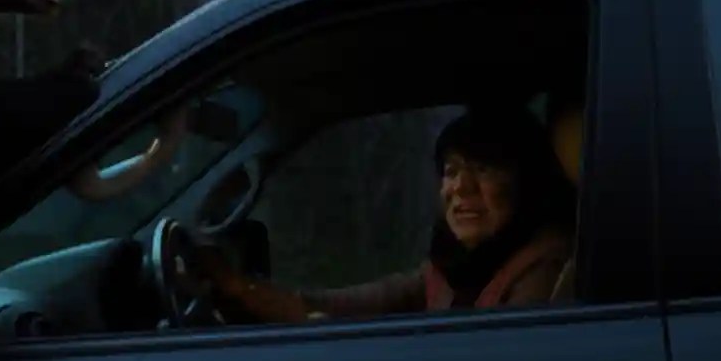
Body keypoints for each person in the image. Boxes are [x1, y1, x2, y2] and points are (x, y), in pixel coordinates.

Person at [191, 106, 577, 324]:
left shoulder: (544, 269)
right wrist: (246, 292)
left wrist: (321, 329)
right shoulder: (457, 266)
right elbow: (353, 302)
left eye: (484, 169)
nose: (460, 188)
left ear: (527, 182)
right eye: (451, 171)